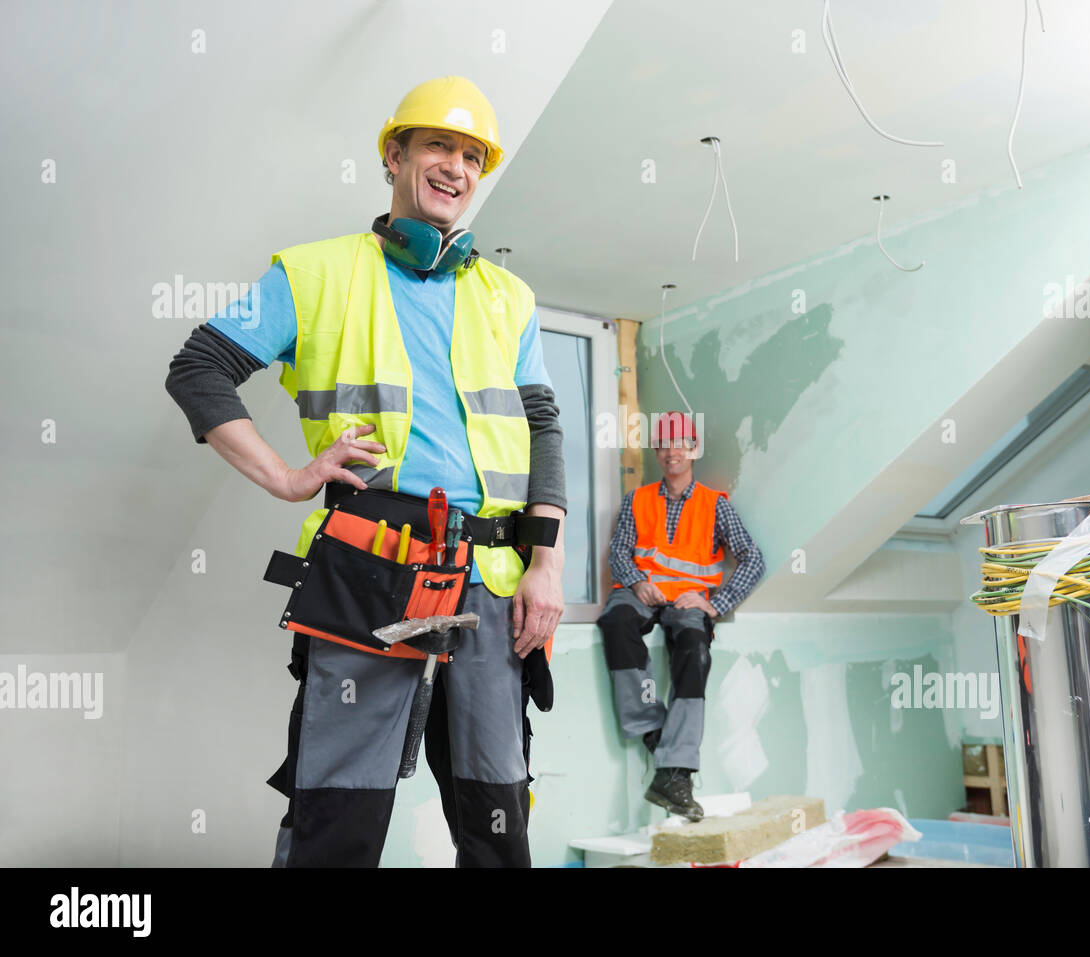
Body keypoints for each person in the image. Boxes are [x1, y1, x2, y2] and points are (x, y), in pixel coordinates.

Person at [164, 76, 566, 867]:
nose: (456, 167)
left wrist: (546, 561)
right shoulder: (316, 274)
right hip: (371, 565)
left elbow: (542, 425)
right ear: (395, 154)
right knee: (337, 816)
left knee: (496, 816)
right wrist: (287, 475)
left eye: (472, 156)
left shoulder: (508, 298)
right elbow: (198, 368)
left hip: (490, 574)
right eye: (439, 147)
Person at [596, 411, 765, 821]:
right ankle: (655, 731)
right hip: (641, 595)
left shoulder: (715, 505)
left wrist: (716, 604)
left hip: (689, 603)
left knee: (694, 648)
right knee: (616, 622)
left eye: (680, 444)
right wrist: (637, 583)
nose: (671, 452)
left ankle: (674, 772)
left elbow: (753, 559)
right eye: (664, 445)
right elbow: (620, 552)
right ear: (657, 451)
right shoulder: (637, 500)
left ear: (693, 449)